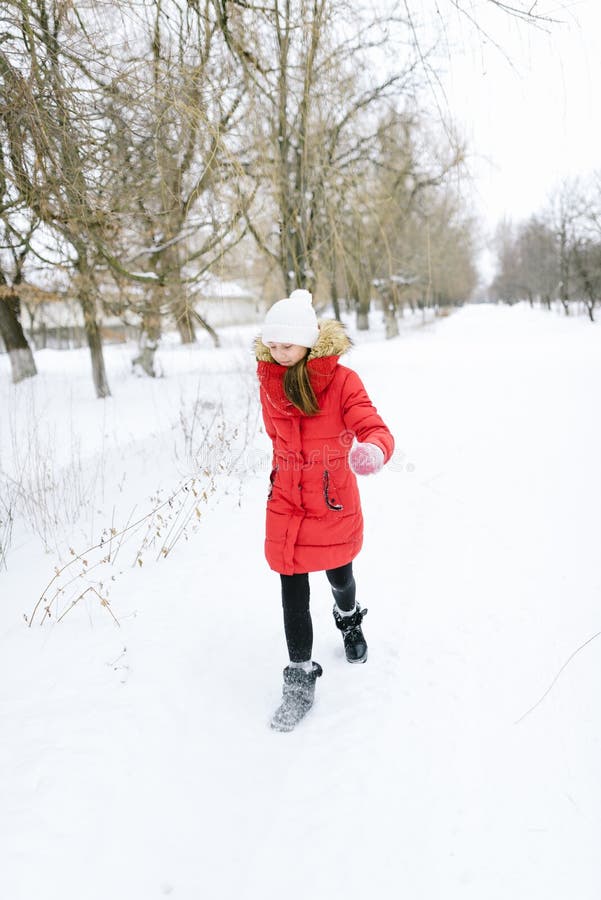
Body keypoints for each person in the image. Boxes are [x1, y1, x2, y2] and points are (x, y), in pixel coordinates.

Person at [256, 289, 394, 731]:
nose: (278, 355)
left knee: (340, 577)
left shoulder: (343, 382)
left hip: (330, 501)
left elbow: (372, 425)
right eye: (272, 346)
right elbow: (276, 438)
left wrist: (371, 449)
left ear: (310, 343)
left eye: (287, 346)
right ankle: (299, 681)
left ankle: (350, 621)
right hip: (287, 503)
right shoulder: (269, 379)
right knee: (292, 594)